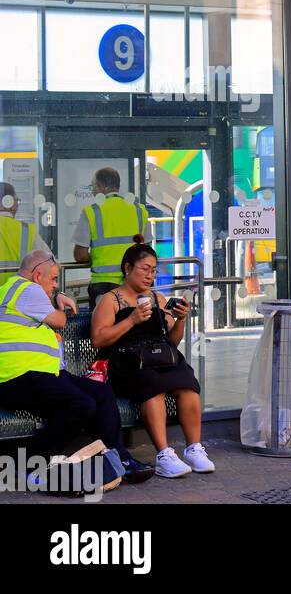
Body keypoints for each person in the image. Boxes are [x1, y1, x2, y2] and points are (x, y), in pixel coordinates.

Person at [0, 250, 152, 483]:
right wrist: (58, 304)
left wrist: (55, 296)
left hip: (40, 374)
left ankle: (119, 458)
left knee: (101, 392)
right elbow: (60, 321)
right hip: (18, 377)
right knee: (81, 404)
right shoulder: (26, 288)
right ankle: (30, 466)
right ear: (37, 275)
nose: (54, 286)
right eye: (52, 280)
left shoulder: (14, 290)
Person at [90, 236, 210, 479]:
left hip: (160, 356)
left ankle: (193, 448)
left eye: (154, 271)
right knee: (153, 387)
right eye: (145, 269)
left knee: (187, 384)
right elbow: (99, 339)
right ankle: (164, 454)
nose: (150, 276)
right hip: (128, 363)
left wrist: (181, 320)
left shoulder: (158, 299)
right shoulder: (111, 300)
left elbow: (172, 341)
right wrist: (131, 320)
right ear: (127, 268)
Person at [73, 167, 151, 309]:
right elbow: (147, 251)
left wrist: (95, 257)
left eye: (94, 186)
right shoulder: (139, 211)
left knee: (102, 328)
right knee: (133, 325)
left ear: (102, 186)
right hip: (133, 282)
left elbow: (80, 255)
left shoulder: (91, 212)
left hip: (103, 285)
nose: (92, 191)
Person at [1, 181, 49, 282]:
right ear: (11, 203)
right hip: (18, 293)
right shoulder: (26, 230)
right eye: (17, 201)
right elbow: (49, 261)